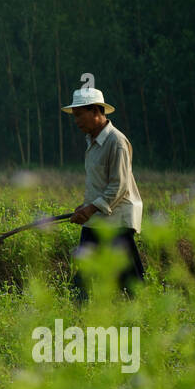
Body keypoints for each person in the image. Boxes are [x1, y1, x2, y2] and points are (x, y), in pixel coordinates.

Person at [63, 86, 145, 297]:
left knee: (131, 282)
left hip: (116, 221)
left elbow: (119, 186)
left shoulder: (116, 142)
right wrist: (86, 207)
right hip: (98, 218)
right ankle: (79, 315)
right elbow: (99, 185)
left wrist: (90, 209)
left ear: (97, 112)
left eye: (80, 115)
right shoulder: (92, 143)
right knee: (84, 276)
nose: (77, 121)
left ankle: (146, 319)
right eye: (75, 116)